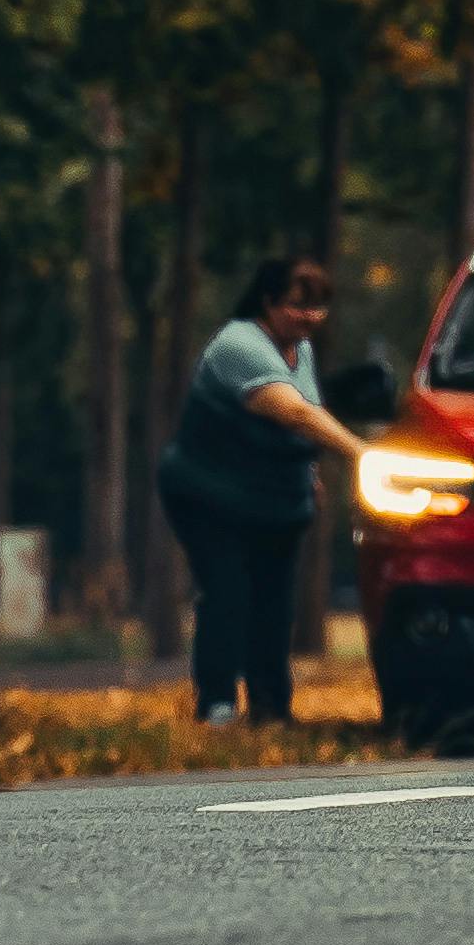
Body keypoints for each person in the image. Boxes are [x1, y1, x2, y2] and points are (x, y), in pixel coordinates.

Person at [157, 253, 363, 724]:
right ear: (267, 301)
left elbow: (306, 414)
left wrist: (310, 478)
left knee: (275, 601)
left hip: (270, 499)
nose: (311, 317)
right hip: (208, 492)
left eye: (319, 307)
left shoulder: (300, 349)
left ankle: (272, 709)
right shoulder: (239, 344)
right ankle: (217, 707)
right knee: (228, 592)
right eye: (298, 305)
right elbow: (293, 411)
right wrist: (360, 452)